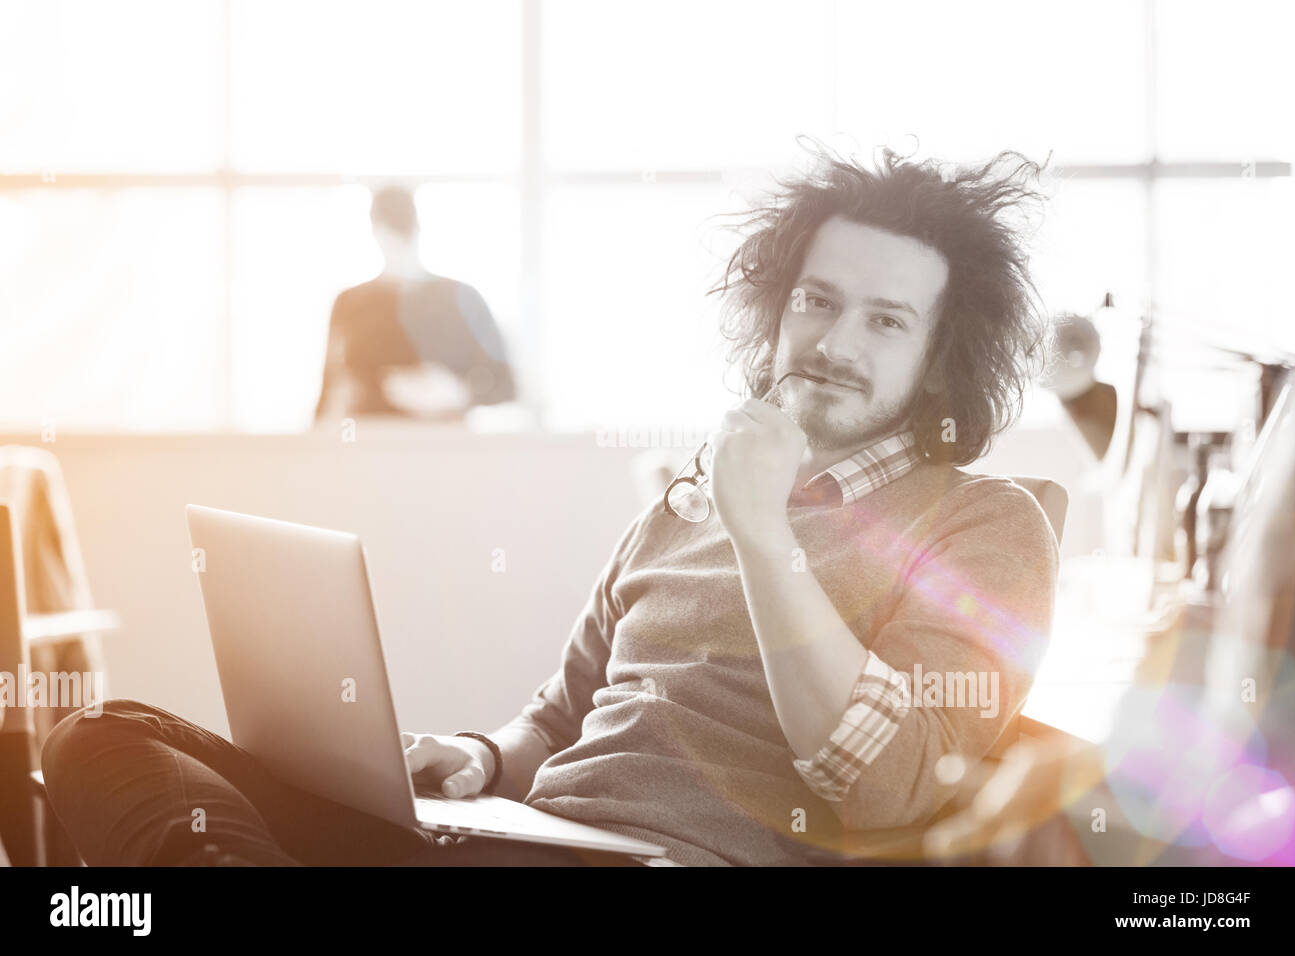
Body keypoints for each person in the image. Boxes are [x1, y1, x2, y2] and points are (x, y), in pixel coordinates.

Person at [40, 145, 1059, 866]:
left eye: (886, 319)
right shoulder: (684, 504)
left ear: (939, 360)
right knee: (101, 733)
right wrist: (480, 756)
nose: (835, 340)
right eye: (817, 299)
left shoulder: (986, 524)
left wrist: (763, 538)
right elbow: (559, 714)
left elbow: (886, 783)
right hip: (517, 837)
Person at [313, 184, 516, 423]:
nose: (396, 240)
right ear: (375, 231)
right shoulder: (350, 303)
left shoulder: (463, 298)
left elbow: (506, 386)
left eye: (401, 226)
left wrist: (458, 393)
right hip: (369, 442)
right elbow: (329, 393)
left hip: (443, 444)